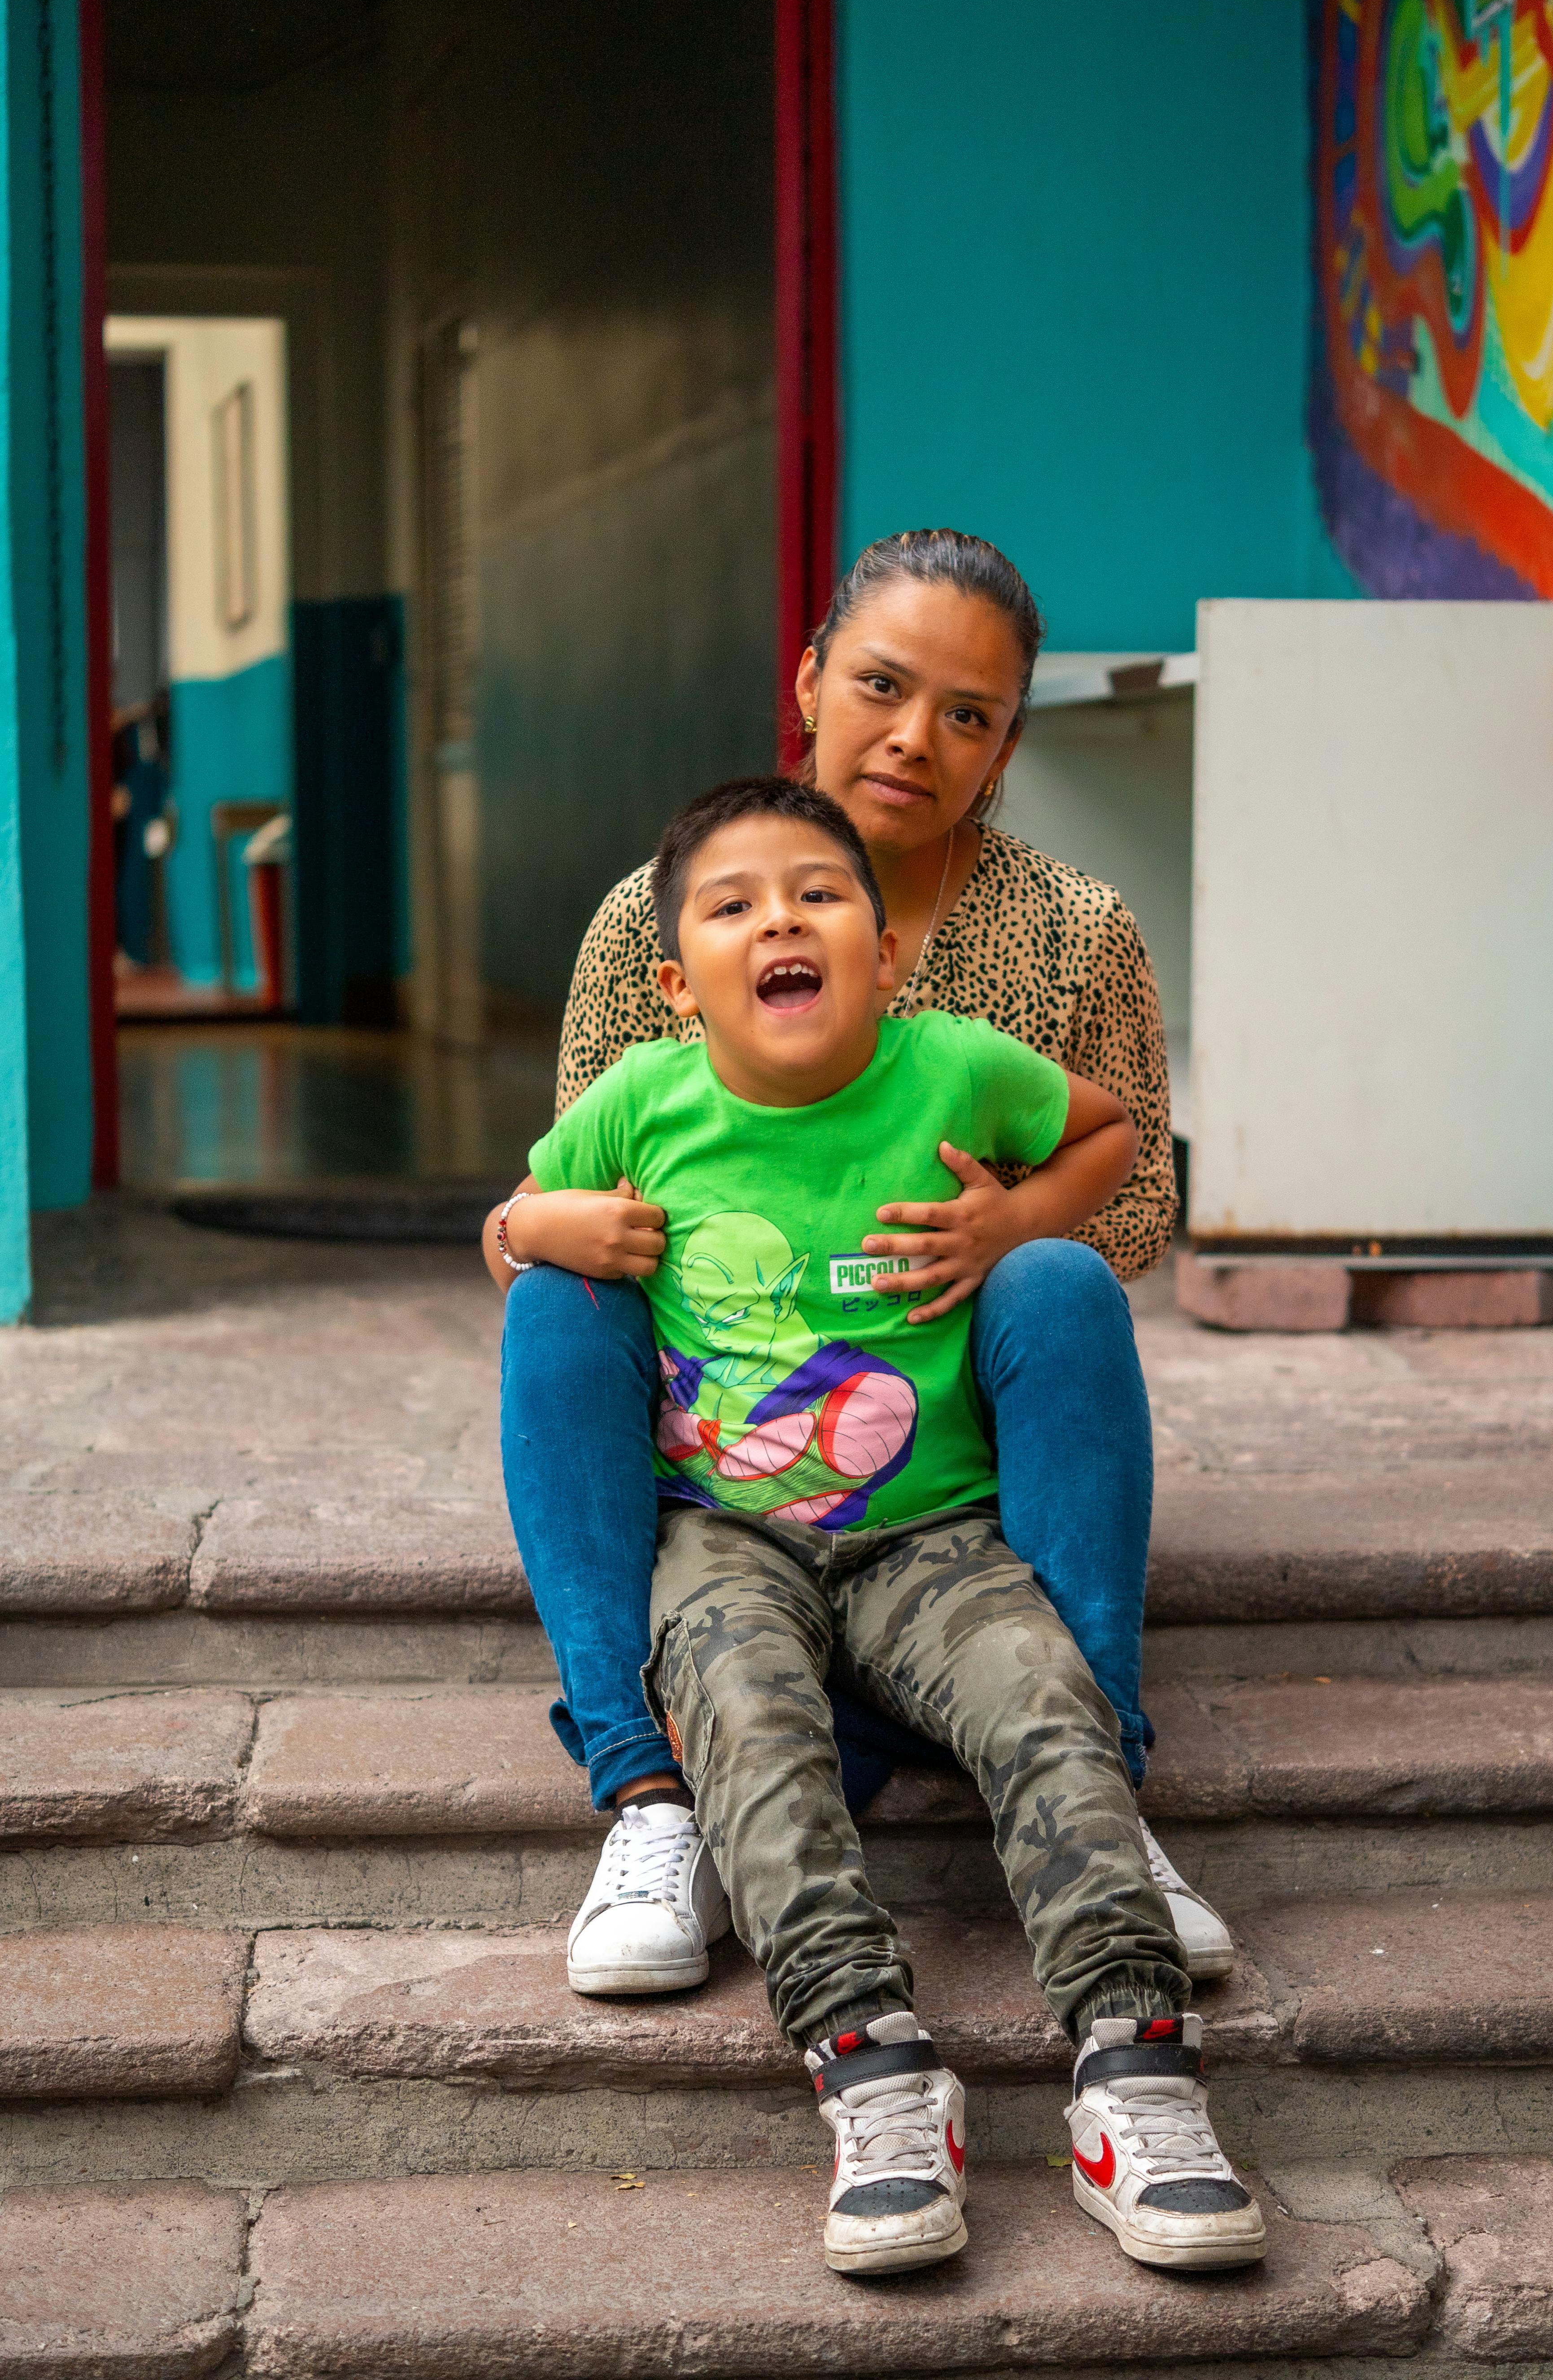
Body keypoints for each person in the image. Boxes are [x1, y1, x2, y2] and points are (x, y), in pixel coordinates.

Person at [504, 775, 1264, 2279]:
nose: (779, 919)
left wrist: (1018, 1218)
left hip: (936, 1542)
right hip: (730, 1541)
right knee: (744, 1714)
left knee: (1047, 1698)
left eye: (818, 894)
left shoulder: (957, 1068)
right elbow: (514, 1215)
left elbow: (1117, 1138)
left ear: (888, 951)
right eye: (732, 907)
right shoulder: (642, 1101)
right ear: (677, 985)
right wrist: (542, 1228)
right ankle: (875, 2070)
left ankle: (1137, 2075)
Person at [490, 528, 1231, 1999]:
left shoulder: (1072, 933)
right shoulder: (666, 907)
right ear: (811, 679)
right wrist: (522, 1232)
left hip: (956, 1445)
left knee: (1064, 1283)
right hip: (731, 1444)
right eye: (884, 687)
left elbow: (1135, 1196)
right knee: (560, 1311)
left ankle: (1106, 1784)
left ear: (1009, 744)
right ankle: (649, 1795)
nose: (916, 739)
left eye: (971, 716)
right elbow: (572, 1187)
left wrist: (1010, 1220)